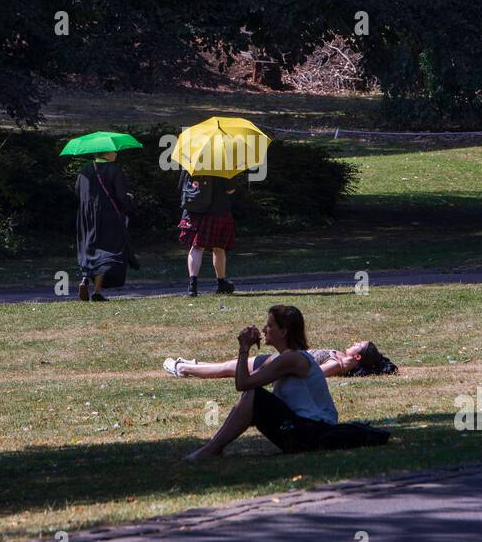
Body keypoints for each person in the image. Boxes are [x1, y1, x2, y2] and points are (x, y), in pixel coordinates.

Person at [185, 305, 342, 460]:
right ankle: (213, 447)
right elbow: (244, 382)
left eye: (270, 325)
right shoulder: (280, 358)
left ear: (283, 331)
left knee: (254, 394)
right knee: (252, 394)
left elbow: (243, 384)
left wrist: (244, 349)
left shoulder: (293, 358)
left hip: (315, 431)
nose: (264, 329)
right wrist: (244, 349)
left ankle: (213, 448)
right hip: (301, 429)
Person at [74, 150, 138, 302]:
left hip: (86, 216)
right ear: (106, 153)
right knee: (106, 251)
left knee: (89, 247)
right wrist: (130, 200)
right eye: (113, 151)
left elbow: (77, 191)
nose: (116, 153)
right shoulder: (114, 170)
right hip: (109, 216)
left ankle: (84, 279)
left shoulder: (85, 169)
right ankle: (96, 292)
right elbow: (121, 196)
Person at [163, 340, 397, 378]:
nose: (355, 340)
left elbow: (314, 374)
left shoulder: (338, 364)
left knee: (229, 368)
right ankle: (196, 365)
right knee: (232, 365)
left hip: (278, 363)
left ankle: (182, 369)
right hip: (281, 358)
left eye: (359, 343)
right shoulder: (341, 359)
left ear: (357, 355)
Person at [178, 170, 238, 296]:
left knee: (196, 247)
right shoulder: (221, 164)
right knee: (219, 248)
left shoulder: (191, 164)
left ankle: (192, 287)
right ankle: (221, 283)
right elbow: (230, 190)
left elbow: (182, 186)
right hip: (218, 211)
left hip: (194, 212)